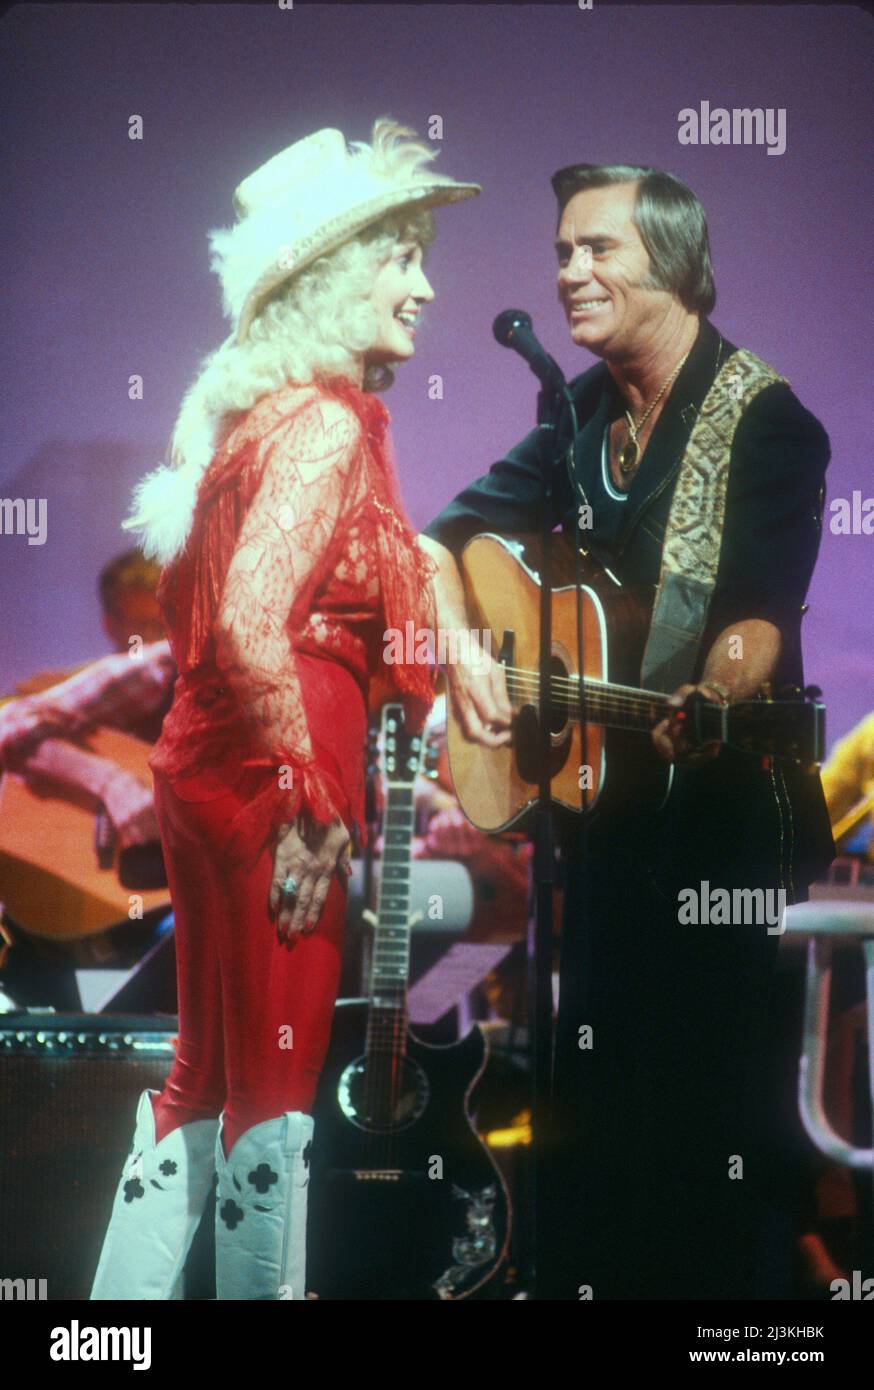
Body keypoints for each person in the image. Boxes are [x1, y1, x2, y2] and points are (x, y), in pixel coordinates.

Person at [418, 162, 835, 1299]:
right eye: (560, 252)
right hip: (602, 836)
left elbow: (755, 612)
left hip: (726, 830)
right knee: (597, 1127)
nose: (567, 273)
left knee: (714, 1130)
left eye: (595, 249)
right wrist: (461, 645)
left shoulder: (768, 420)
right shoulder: (579, 413)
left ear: (675, 263)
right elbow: (436, 542)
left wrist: (712, 693)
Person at [89, 118, 479, 1300]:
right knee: (269, 1087)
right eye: (397, 258)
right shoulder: (318, 424)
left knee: (201, 1080)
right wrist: (314, 799)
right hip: (274, 775)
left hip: (220, 765)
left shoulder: (274, 421)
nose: (424, 285)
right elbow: (257, 622)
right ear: (322, 281)